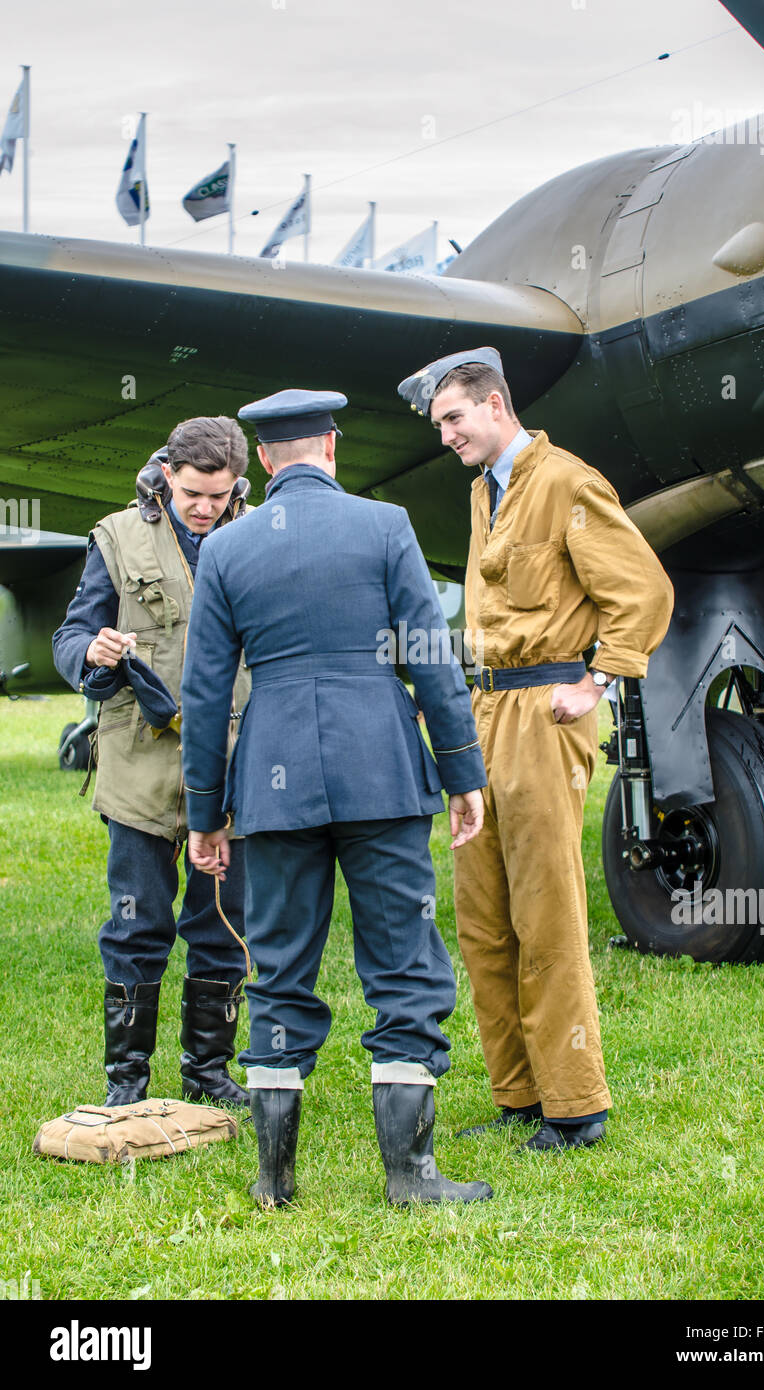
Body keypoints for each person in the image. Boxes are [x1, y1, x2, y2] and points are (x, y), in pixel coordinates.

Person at [180, 388, 493, 1208]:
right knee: (403, 965)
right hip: (381, 771)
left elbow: (206, 693)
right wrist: (463, 774)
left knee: (279, 968)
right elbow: (430, 655)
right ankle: (410, 1175)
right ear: (330, 447)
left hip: (273, 782)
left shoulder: (225, 549)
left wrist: (204, 815)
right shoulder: (384, 526)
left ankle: (274, 1181)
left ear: (266, 462)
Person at [397, 347, 674, 1151]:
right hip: (482, 712)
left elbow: (643, 591)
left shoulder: (563, 481)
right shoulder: (490, 488)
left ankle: (574, 1105)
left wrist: (597, 684)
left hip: (540, 716)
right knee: (484, 916)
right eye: (439, 422)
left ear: (494, 406)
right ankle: (518, 1094)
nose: (445, 433)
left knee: (545, 911)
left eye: (453, 417)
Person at [52, 417, 252, 1108]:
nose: (205, 507)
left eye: (219, 496)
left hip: (232, 764)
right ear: (166, 474)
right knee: (136, 924)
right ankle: (126, 1081)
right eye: (193, 492)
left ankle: (208, 1073)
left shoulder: (258, 536)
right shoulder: (116, 536)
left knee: (224, 921)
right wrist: (91, 653)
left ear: (237, 487)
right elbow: (70, 634)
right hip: (140, 760)